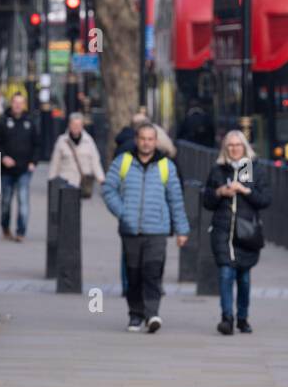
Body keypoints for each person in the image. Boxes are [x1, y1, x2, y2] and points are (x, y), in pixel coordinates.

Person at [102, 123, 190, 333]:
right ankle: (135, 314)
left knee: (152, 272)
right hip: (130, 229)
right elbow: (108, 189)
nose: (146, 143)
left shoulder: (166, 165)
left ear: (156, 141)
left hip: (157, 229)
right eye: (143, 138)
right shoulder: (123, 162)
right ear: (136, 139)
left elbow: (176, 199)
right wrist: (123, 213)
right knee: (133, 274)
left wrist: (182, 230)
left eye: (150, 139)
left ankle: (152, 314)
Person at [202, 130, 270, 335]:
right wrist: (219, 192)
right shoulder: (218, 170)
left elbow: (265, 200)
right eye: (230, 145)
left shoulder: (252, 169)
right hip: (222, 231)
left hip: (246, 231)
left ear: (244, 147)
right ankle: (227, 318)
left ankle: (242, 317)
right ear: (225, 148)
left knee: (244, 277)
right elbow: (207, 201)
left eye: (237, 145)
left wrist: (245, 190)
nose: (234, 149)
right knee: (225, 273)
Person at [0, 91, 38, 242]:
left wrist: (33, 161)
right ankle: (5, 226)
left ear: (24, 105)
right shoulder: (3, 121)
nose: (18, 105)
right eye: (15, 102)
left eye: (21, 103)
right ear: (11, 103)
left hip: (24, 169)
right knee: (6, 201)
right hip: (7, 169)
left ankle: (21, 231)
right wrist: (3, 157)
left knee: (23, 200)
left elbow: (37, 144)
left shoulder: (30, 122)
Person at [49, 112, 105, 193]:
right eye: (74, 124)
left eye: (79, 125)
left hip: (83, 184)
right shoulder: (61, 141)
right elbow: (55, 163)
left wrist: (101, 179)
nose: (76, 127)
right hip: (66, 184)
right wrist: (51, 181)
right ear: (69, 125)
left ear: (82, 126)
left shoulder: (89, 141)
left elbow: (95, 161)